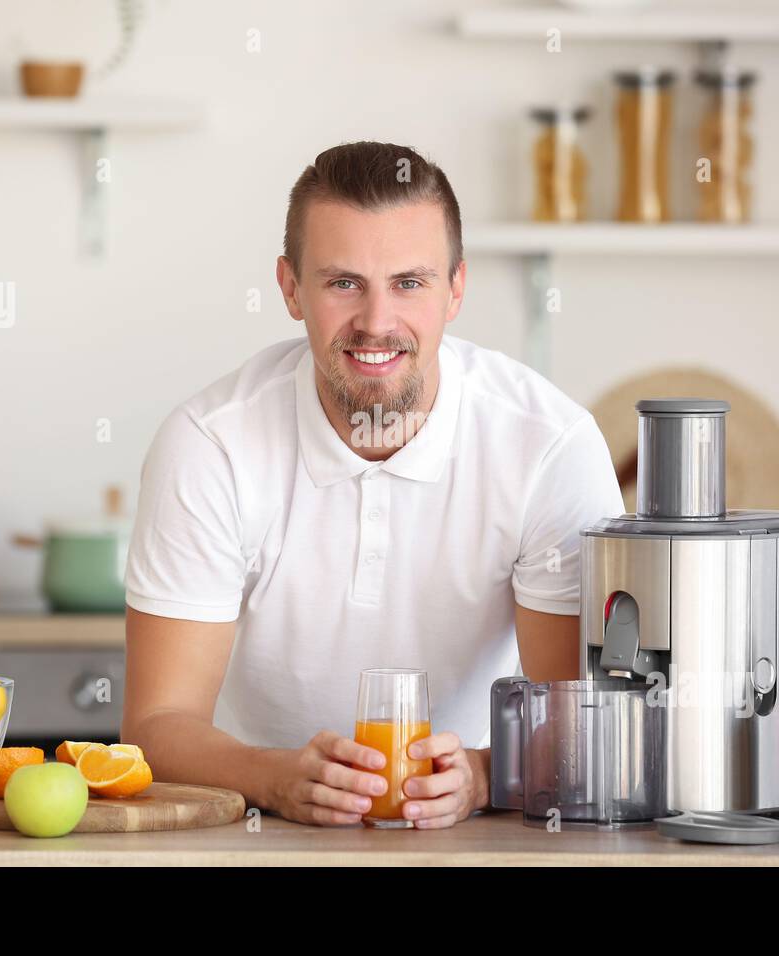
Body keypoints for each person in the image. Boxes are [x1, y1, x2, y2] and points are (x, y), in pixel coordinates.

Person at [121, 141, 623, 828]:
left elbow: (583, 727)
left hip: (488, 832)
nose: (377, 322)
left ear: (456, 289)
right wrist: (275, 776)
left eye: (409, 283)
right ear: (291, 289)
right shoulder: (211, 444)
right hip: (264, 833)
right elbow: (155, 723)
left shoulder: (549, 445)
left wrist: (480, 776)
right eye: (343, 283)